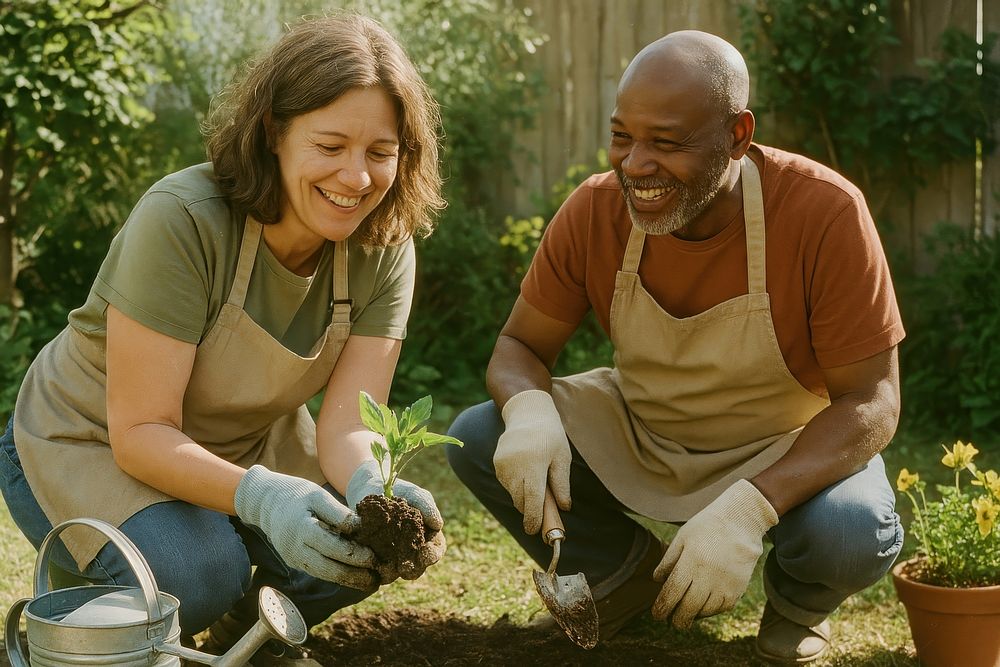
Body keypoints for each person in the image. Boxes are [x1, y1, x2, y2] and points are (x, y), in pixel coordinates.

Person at [0, 14, 447, 666]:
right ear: (274, 132)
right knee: (200, 570)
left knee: (359, 541)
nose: (357, 179)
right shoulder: (184, 220)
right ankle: (75, 632)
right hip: (88, 442)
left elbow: (351, 421)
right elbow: (142, 430)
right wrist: (264, 497)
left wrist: (373, 488)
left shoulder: (383, 245)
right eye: (329, 147)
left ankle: (248, 636)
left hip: (236, 447)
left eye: (381, 152)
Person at [447, 29, 905, 665]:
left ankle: (799, 608)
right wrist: (530, 411)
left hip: (779, 443)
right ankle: (626, 576)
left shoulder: (822, 213)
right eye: (623, 136)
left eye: (666, 142)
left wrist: (754, 505)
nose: (635, 163)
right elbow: (520, 345)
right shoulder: (594, 210)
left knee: (851, 532)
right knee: (479, 433)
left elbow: (874, 400)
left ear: (737, 136)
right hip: (645, 429)